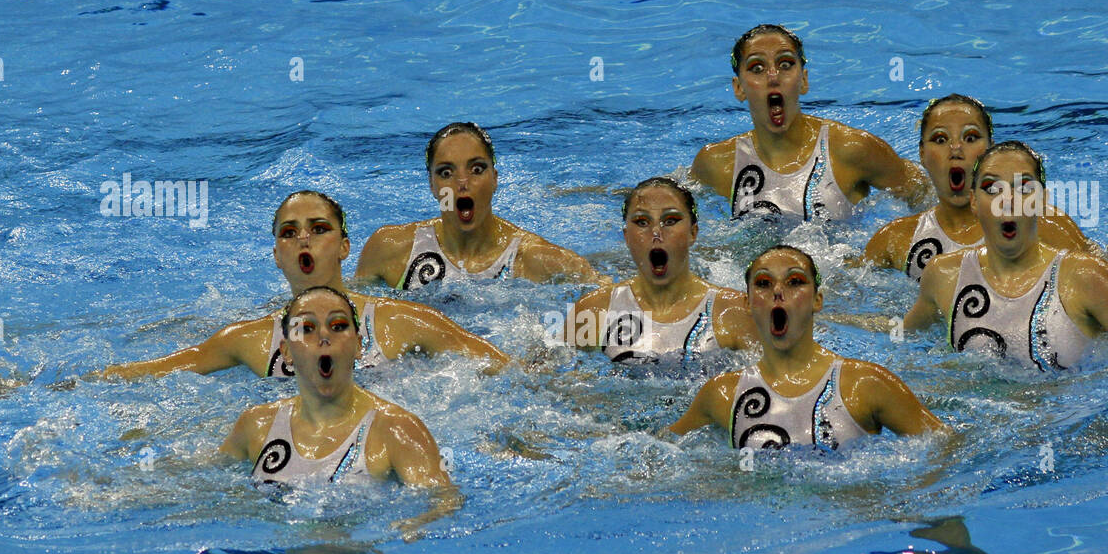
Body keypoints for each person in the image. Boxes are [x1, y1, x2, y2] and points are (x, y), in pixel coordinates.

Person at [96, 190, 507, 380]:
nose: (303, 240)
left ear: (345, 247)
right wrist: (71, 384)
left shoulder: (401, 321)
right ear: (276, 255)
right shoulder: (250, 339)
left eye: (319, 228)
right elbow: (158, 369)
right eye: (289, 233)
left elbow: (502, 368)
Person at [904, 141, 1108, 370]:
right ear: (973, 201)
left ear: (1042, 201)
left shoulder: (1084, 275)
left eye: (1024, 187)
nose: (1007, 200)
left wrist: (1078, 395)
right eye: (991, 188)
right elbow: (907, 341)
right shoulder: (944, 275)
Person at [669, 245, 944, 449]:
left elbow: (947, 445)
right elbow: (661, 454)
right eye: (764, 283)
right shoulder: (722, 394)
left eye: (795, 282)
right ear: (747, 303)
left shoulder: (865, 384)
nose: (778, 291)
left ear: (817, 300)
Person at [690, 24, 930, 225]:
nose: (773, 76)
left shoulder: (852, 148)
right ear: (739, 88)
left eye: (785, 64)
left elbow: (925, 196)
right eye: (757, 68)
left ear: (803, 80)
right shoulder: (717, 163)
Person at [220, 286, 455, 489]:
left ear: (358, 346)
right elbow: (208, 483)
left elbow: (442, 503)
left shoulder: (397, 431)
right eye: (306, 328)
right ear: (286, 351)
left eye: (338, 325)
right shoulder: (257, 425)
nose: (323, 335)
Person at [864, 94, 1101, 280]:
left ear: (990, 150)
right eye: (940, 139)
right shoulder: (896, 239)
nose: (956, 150)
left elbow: (1103, 285)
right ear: (922, 154)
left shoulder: (1043, 225)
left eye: (970, 138)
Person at [355, 122, 609, 289]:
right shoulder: (389, 249)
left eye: (477, 169)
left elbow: (611, 297)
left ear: (495, 179)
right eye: (446, 172)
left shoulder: (538, 260)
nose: (462, 183)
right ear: (432, 185)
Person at [569, 177, 759, 364]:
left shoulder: (734, 314)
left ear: (693, 233)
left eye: (670, 220)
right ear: (626, 236)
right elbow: (552, 378)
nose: (656, 232)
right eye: (642, 222)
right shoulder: (594, 310)